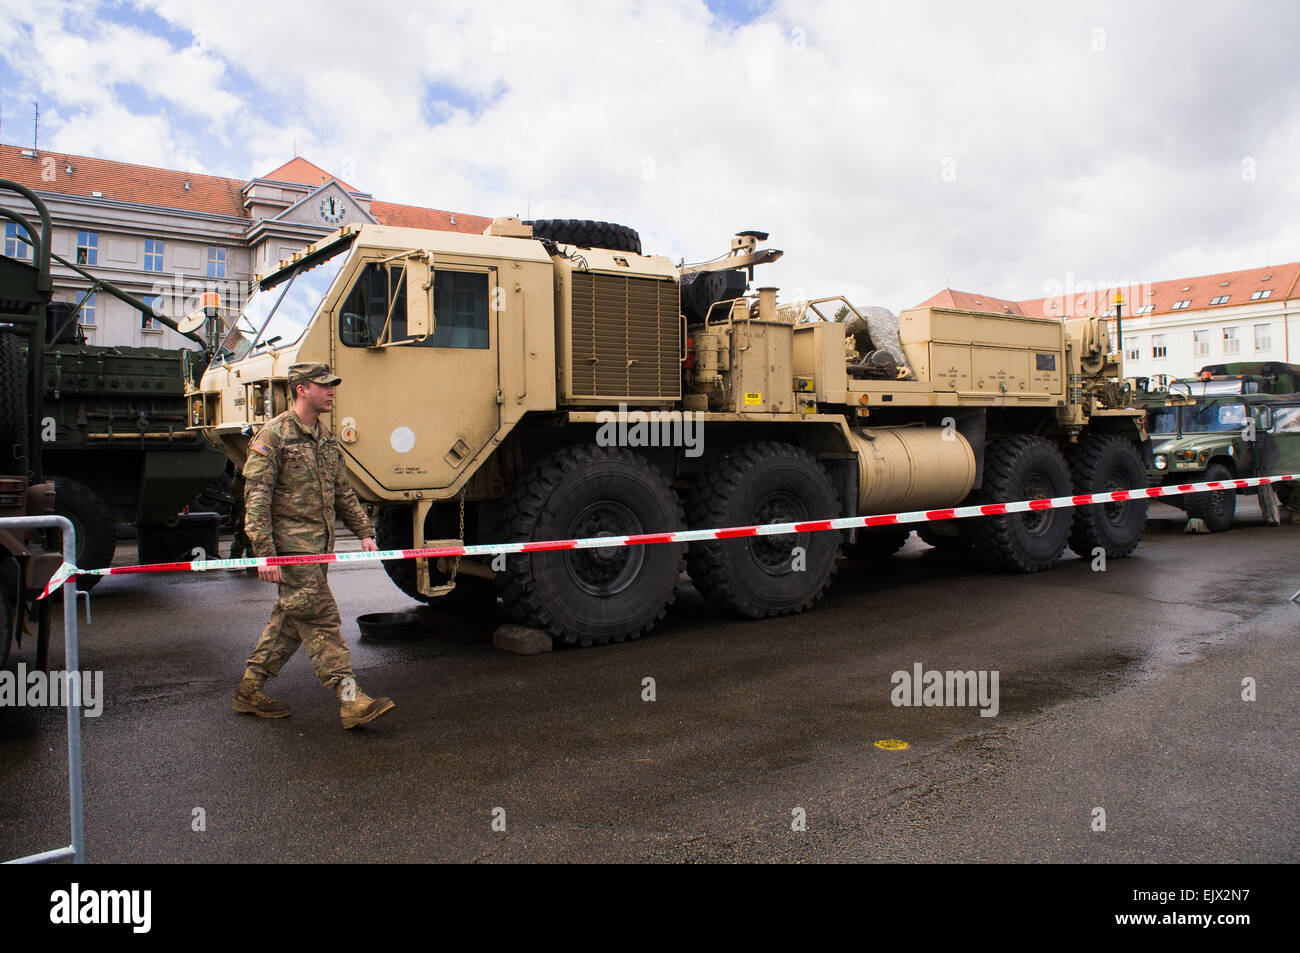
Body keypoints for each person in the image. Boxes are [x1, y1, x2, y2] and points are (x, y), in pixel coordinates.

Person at [232, 362, 395, 729]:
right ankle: (350, 698)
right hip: (291, 551)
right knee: (322, 618)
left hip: (318, 549)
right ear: (301, 389)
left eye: (333, 385)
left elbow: (342, 491)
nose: (332, 391)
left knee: (291, 620)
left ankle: (249, 690)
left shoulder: (324, 437)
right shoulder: (273, 436)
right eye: (324, 386)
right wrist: (265, 554)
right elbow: (256, 497)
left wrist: (365, 531)